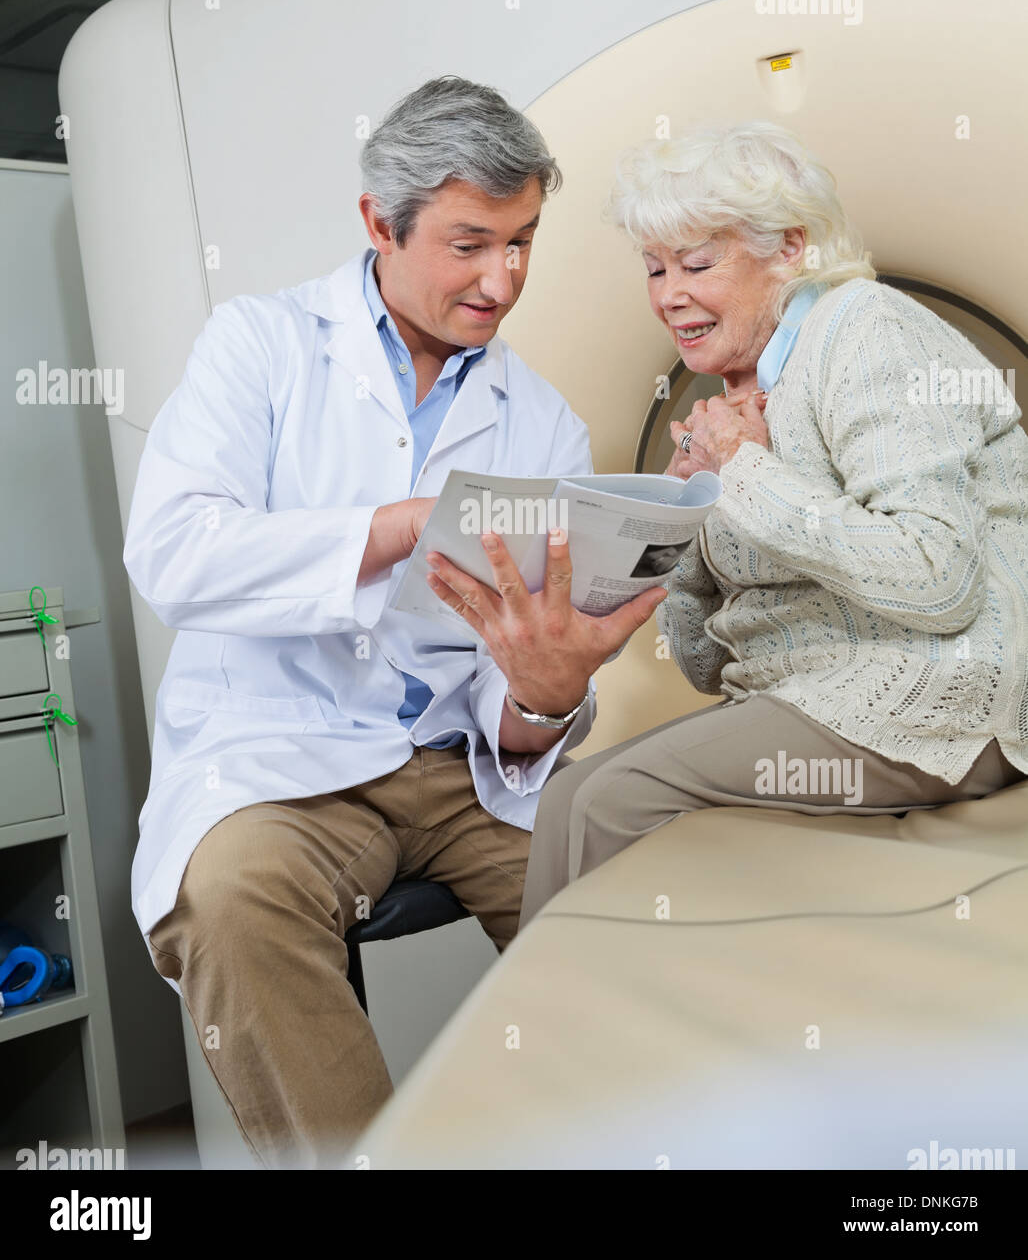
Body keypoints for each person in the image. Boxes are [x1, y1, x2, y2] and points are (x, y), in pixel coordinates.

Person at [123, 76, 666, 1169]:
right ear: (380, 221)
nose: (500, 279)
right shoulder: (260, 347)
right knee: (229, 900)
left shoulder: (541, 422)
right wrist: (390, 529)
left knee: (632, 889)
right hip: (283, 761)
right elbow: (172, 554)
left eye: (521, 244)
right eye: (471, 243)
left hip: (462, 768)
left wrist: (544, 693)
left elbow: (511, 704)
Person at [516, 119, 1028, 927]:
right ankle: (587, 1041)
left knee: (610, 801)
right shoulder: (724, 405)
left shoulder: (866, 330)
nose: (667, 293)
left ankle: (560, 1048)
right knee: (569, 792)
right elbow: (705, 666)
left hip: (945, 698)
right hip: (810, 702)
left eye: (696, 262)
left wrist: (749, 476)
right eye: (653, 268)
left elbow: (943, 580)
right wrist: (678, 523)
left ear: (789, 248)